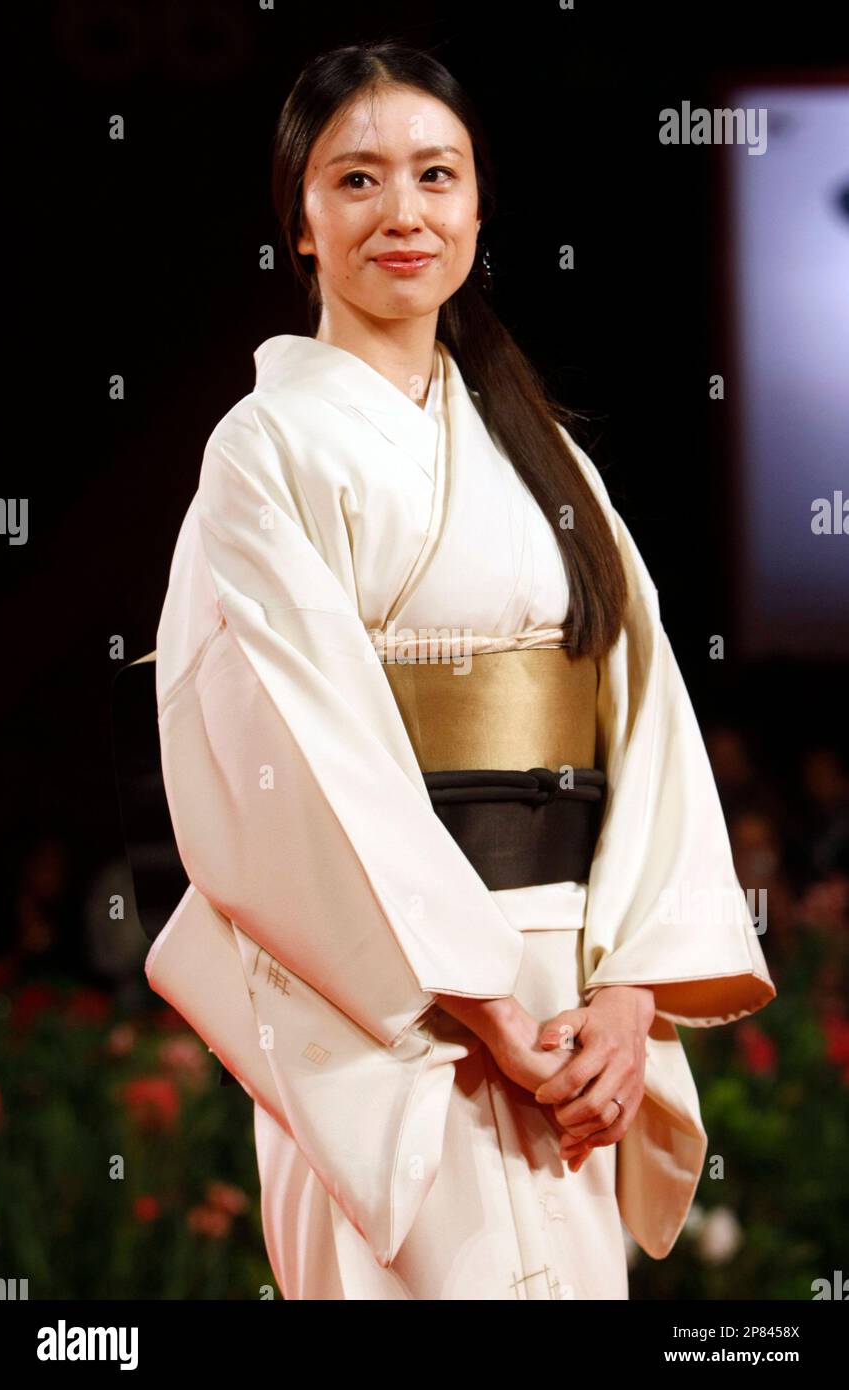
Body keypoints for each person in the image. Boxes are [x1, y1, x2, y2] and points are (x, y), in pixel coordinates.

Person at [150, 42, 777, 1300]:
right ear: (301, 223)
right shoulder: (263, 447)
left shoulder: (538, 449)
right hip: (387, 1008)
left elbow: (642, 715)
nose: (404, 212)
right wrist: (486, 1016)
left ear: (479, 209)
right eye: (358, 180)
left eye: (436, 175)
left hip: (571, 984)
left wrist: (628, 997)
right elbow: (303, 753)